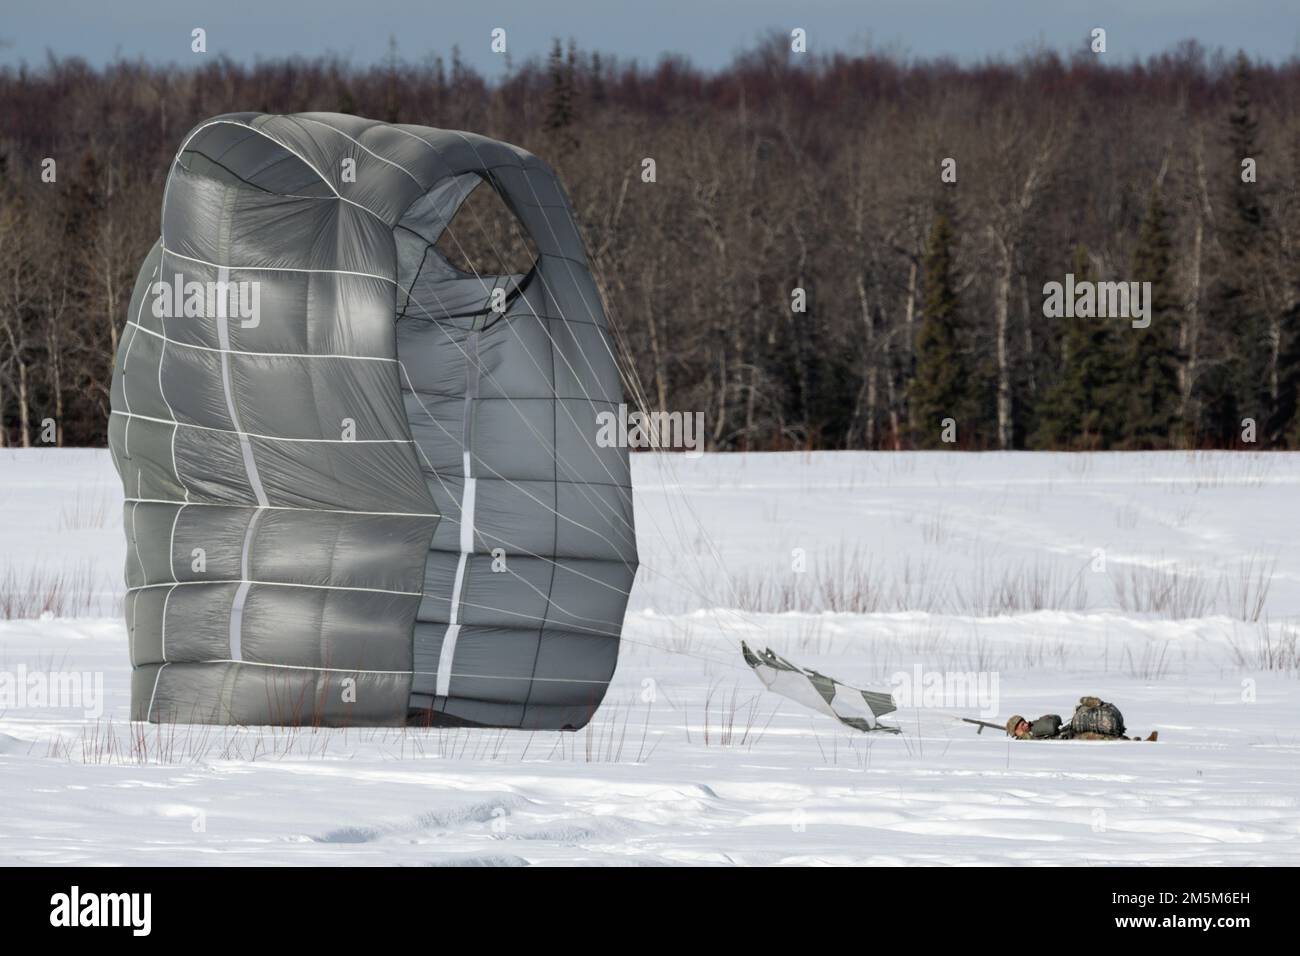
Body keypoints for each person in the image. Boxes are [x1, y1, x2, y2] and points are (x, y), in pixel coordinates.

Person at [1005, 697, 1157, 741]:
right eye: (1020, 725)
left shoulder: (1033, 727)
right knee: (1098, 737)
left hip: (1066, 733)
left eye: (1023, 722)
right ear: (1016, 732)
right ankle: (1135, 743)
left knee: (1099, 730)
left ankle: (1133, 741)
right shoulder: (1025, 741)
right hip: (1067, 739)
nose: (1025, 724)